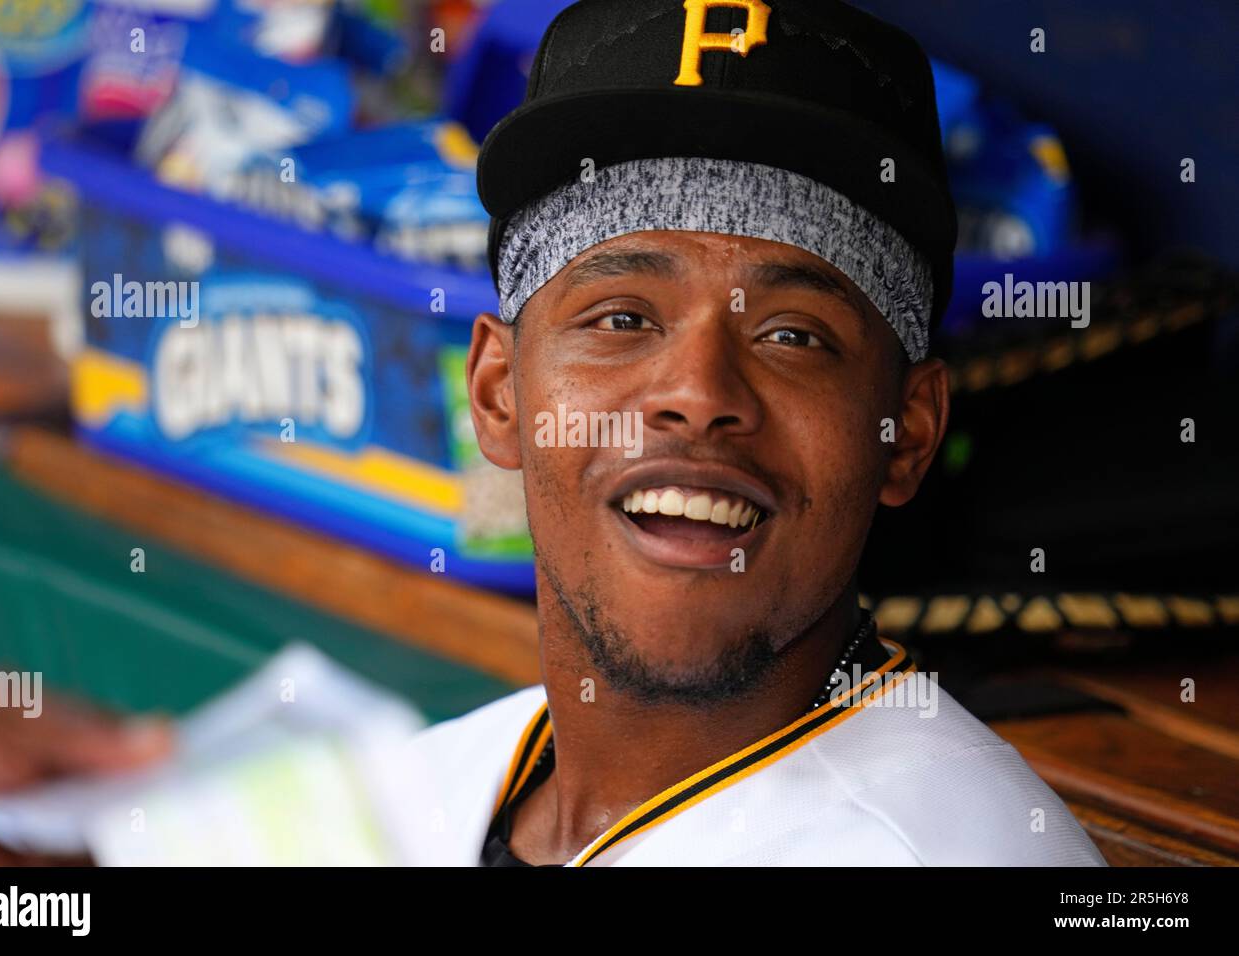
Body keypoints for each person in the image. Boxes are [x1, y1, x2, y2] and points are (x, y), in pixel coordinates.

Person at [392, 0, 1107, 866]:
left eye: (793, 336)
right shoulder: (402, 800)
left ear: (908, 433)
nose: (697, 394)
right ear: (499, 393)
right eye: (622, 317)